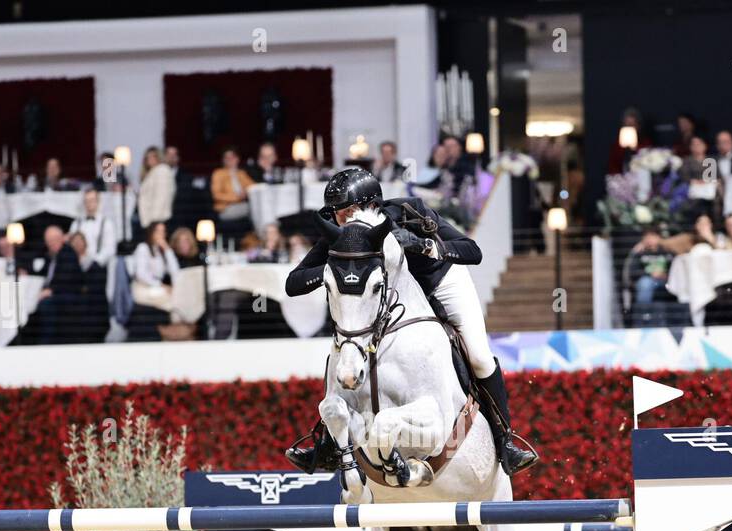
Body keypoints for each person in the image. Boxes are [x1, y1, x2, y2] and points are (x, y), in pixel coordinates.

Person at [283, 167, 537, 476]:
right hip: (396, 300)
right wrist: (330, 270)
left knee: (480, 357)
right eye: (338, 213)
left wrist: (426, 245)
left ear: (371, 205)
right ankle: (326, 443)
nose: (343, 220)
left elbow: (473, 251)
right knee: (342, 350)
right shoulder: (344, 238)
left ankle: (505, 440)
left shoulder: (409, 211)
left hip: (441, 284)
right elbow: (293, 283)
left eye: (347, 211)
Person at [21, 225, 82, 345]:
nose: (50, 244)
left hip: (66, 295)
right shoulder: (51, 256)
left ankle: (46, 342)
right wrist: (27, 273)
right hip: (50, 292)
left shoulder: (68, 254)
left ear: (60, 239)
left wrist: (51, 291)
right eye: (48, 241)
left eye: (52, 241)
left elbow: (66, 279)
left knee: (45, 304)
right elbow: (42, 273)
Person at [129, 221, 184, 320]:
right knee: (174, 301)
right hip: (143, 288)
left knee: (177, 302)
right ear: (151, 233)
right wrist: (160, 285)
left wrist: (167, 249)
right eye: (158, 231)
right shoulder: (143, 248)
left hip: (156, 287)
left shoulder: (160, 252)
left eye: (163, 231)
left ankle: (177, 328)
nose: (161, 234)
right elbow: (140, 274)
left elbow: (175, 271)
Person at [625, 226, 673, 305]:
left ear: (659, 237)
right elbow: (632, 272)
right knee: (645, 283)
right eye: (646, 236)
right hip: (646, 282)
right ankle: (644, 313)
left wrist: (665, 275)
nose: (649, 239)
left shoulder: (667, 252)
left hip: (665, 282)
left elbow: (675, 268)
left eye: (652, 236)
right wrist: (651, 274)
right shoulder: (639, 253)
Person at [69, 188, 117, 267]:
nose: (89, 204)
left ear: (98, 202)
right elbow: (71, 246)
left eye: (92, 200)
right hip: (77, 266)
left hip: (97, 266)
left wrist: (95, 261)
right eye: (86, 201)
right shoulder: (76, 224)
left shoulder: (106, 223)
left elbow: (110, 249)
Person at [211, 147, 254, 221]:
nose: (230, 160)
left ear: (237, 159)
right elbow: (216, 195)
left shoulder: (241, 173)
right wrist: (237, 197)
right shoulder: (218, 173)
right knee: (253, 207)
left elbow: (252, 186)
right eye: (226, 157)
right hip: (225, 208)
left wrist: (245, 192)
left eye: (232, 157)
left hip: (241, 205)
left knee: (256, 206)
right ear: (223, 160)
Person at [137, 146, 175, 229]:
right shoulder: (151, 173)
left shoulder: (162, 170)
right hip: (149, 219)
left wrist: (154, 220)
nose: (150, 159)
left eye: (153, 156)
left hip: (156, 220)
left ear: (159, 157)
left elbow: (162, 196)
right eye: (148, 157)